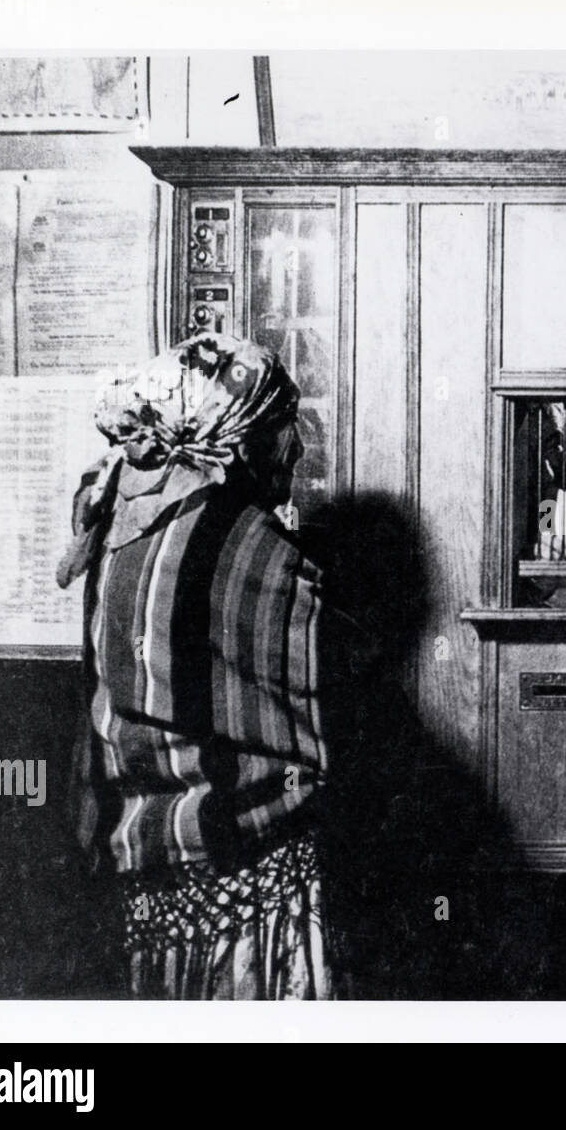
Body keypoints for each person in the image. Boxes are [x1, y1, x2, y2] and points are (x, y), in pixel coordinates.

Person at [57, 332, 350, 999]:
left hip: (147, 887)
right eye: (282, 427)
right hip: (253, 901)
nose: (296, 448)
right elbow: (330, 699)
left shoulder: (119, 524)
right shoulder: (255, 548)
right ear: (237, 433)